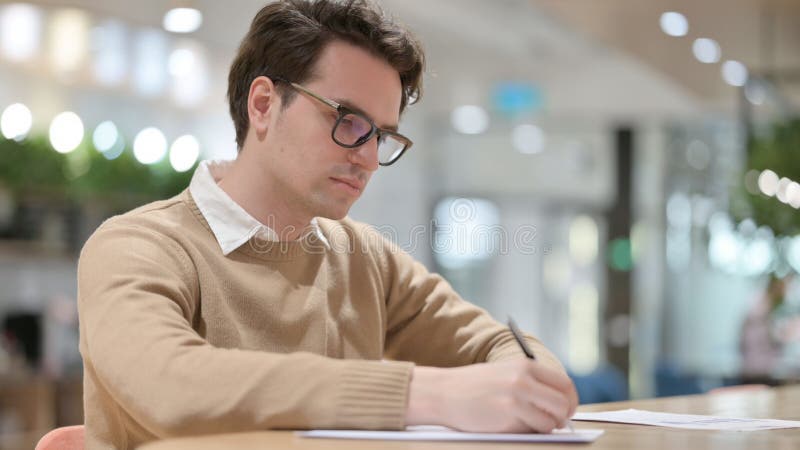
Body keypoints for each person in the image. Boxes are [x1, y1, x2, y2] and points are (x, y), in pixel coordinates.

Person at [77, 0, 578, 448]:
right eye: (348, 121)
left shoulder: (363, 257)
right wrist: (426, 394)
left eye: (381, 136)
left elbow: (498, 344)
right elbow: (171, 385)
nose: (366, 158)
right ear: (264, 105)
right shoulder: (138, 246)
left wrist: (531, 387)